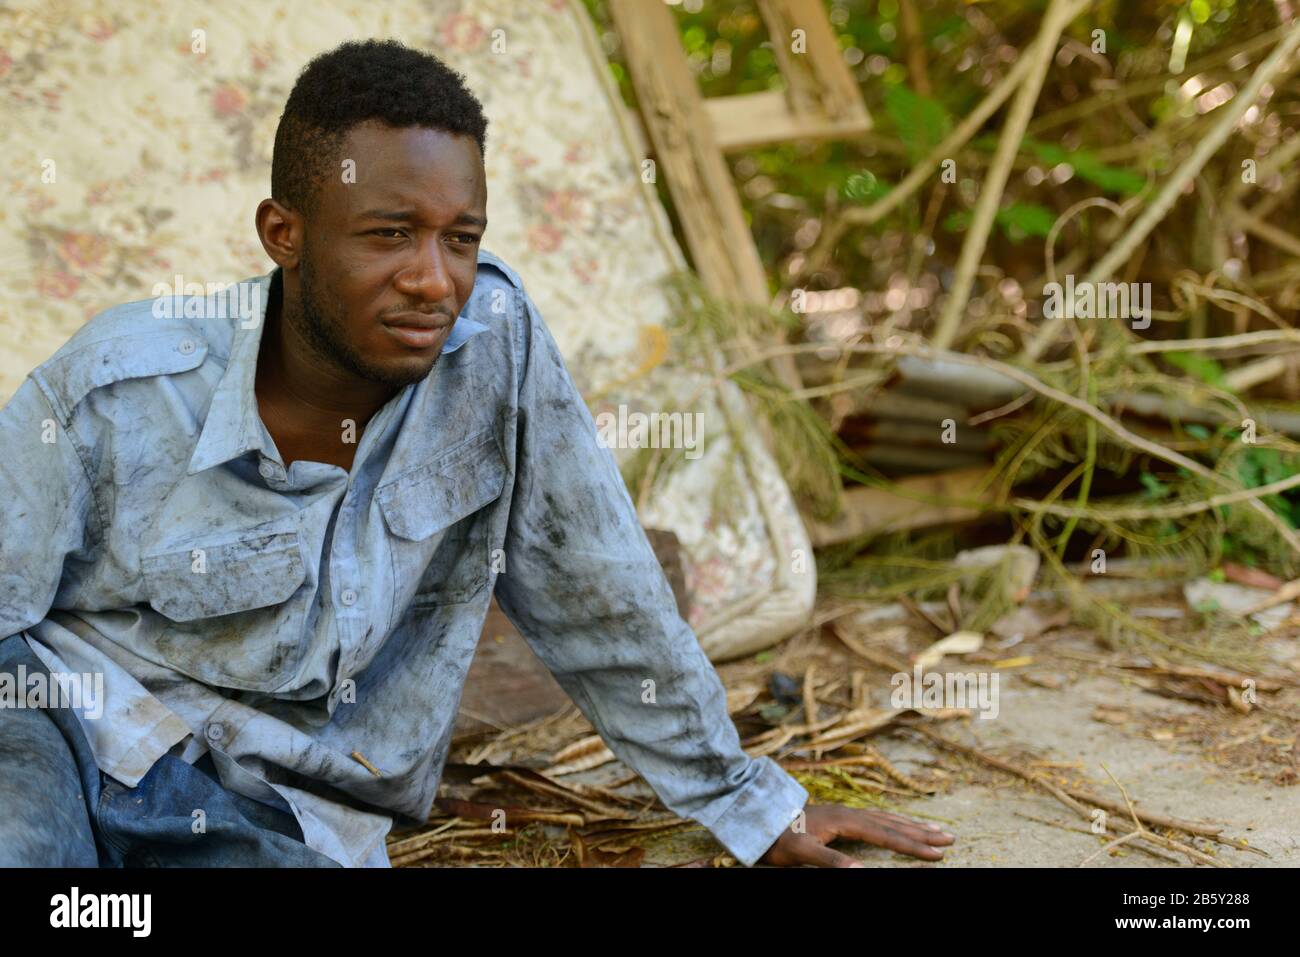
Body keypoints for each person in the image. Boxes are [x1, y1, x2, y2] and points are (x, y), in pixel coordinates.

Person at [0, 38, 954, 868]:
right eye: (389, 236)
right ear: (283, 234)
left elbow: (599, 588)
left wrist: (747, 800)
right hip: (69, 725)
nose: (433, 280)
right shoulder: (116, 388)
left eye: (461, 238)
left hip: (269, 805)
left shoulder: (493, 347)